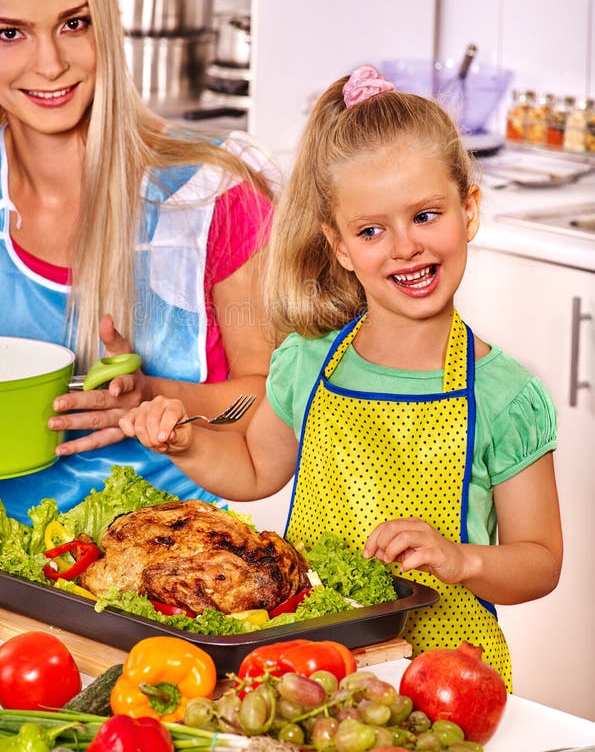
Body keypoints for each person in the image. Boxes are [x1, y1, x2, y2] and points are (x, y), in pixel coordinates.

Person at [119, 64, 563, 688]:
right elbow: (253, 468)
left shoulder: (506, 396)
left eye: (426, 215)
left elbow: (540, 562)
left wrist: (461, 560)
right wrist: (186, 444)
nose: (404, 246)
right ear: (340, 247)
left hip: (447, 684)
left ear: (468, 210)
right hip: (310, 672)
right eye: (372, 230)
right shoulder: (308, 361)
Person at [0, 0, 278, 520]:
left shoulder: (210, 193)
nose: (51, 64)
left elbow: (275, 400)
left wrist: (154, 396)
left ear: (105, 26)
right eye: (9, 33)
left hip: (185, 554)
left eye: (74, 24)